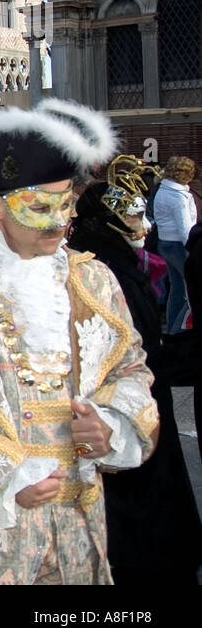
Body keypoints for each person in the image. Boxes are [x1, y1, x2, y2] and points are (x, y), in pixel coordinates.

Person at [0, 100, 158, 584]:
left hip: (80, 525)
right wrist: (4, 481)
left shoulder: (93, 279)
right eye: (40, 207)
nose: (60, 222)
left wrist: (112, 426)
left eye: (67, 204)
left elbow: (132, 370)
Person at [67, 156, 202, 584]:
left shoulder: (126, 264)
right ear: (109, 218)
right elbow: (130, 352)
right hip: (120, 417)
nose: (143, 226)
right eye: (132, 214)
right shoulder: (105, 271)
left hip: (145, 408)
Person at [154, 155, 196, 333]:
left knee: (176, 289)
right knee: (190, 292)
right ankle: (180, 330)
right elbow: (185, 228)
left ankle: (172, 328)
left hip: (165, 243)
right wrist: (194, 250)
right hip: (179, 246)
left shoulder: (162, 190)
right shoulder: (179, 197)